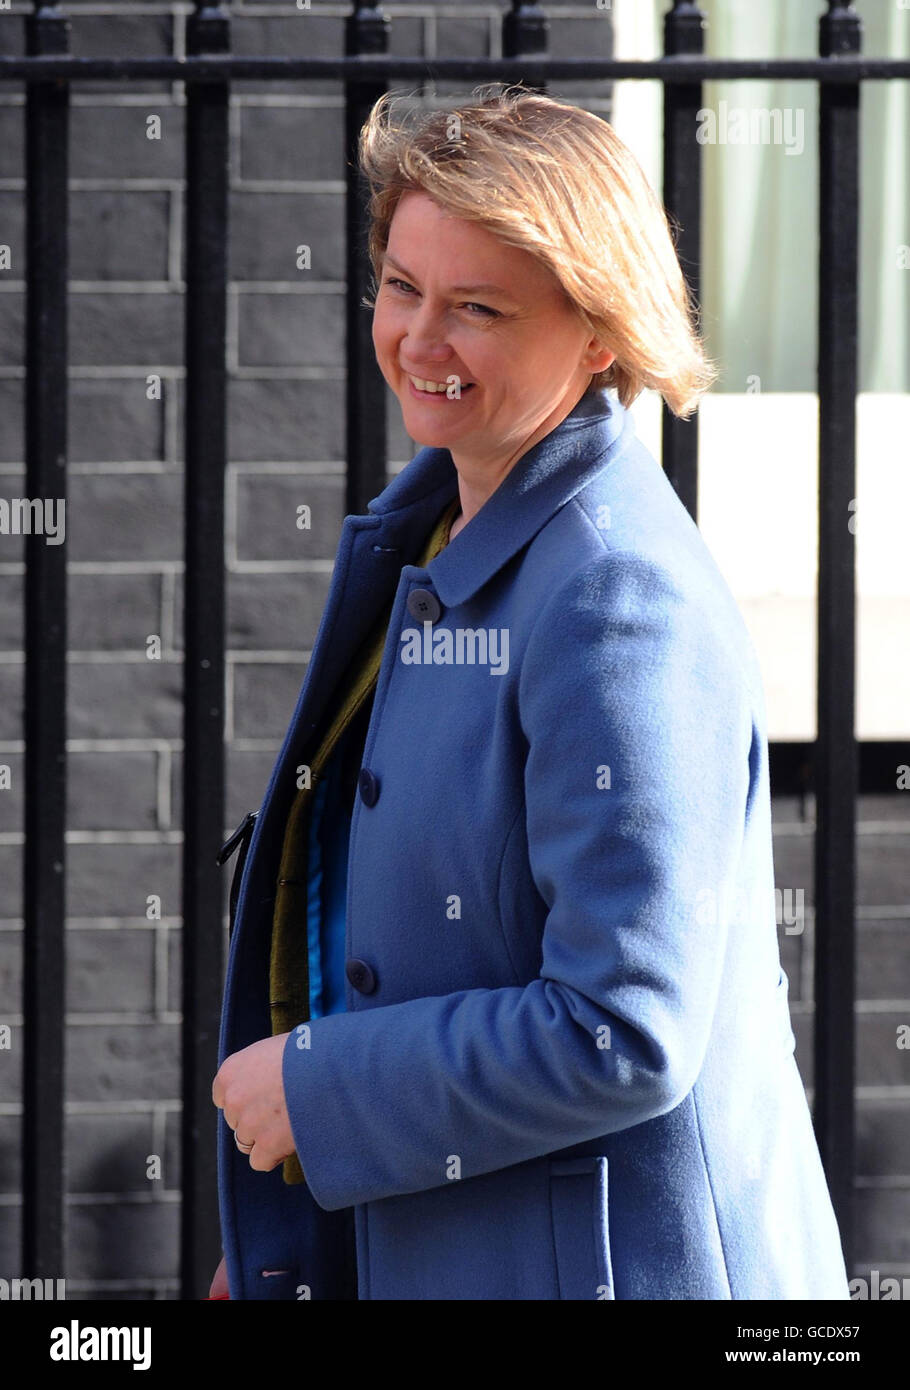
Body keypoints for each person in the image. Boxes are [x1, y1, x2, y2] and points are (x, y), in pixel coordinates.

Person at [209, 85, 850, 1300]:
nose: (418, 339)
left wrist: (315, 1087)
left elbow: (624, 1025)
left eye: (478, 308)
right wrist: (285, 1250)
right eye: (401, 287)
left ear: (599, 333)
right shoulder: (443, 530)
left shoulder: (615, 598)